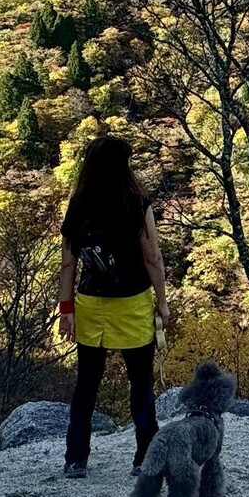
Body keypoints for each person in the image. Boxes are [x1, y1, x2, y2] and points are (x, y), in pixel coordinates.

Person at [57, 136, 169, 478]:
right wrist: (162, 304)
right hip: (132, 304)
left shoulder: (78, 205)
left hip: (91, 305)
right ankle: (144, 459)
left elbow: (67, 264)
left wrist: (66, 311)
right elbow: (152, 259)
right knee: (141, 384)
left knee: (87, 384)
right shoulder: (136, 203)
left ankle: (76, 458)